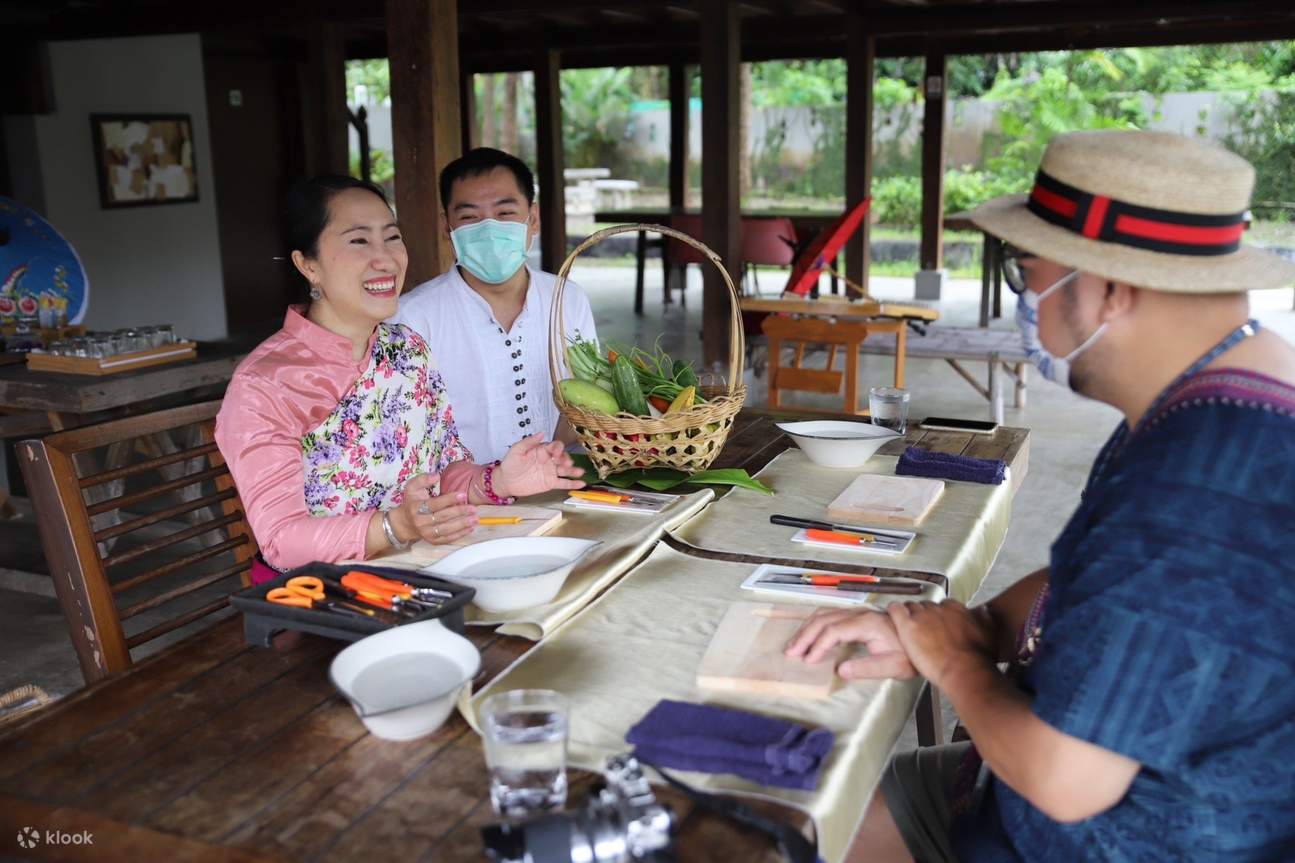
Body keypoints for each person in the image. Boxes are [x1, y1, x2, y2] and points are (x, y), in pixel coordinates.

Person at [786, 130, 1295, 862]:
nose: (1025, 302)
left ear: (1111, 289)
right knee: (818, 802)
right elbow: (1093, 585)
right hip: (1127, 792)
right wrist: (972, 627)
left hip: (1126, 836)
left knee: (770, 829)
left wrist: (956, 666)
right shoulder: (1241, 388)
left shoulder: (1191, 489)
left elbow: (1066, 781)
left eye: (1027, 275)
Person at [215, 175, 584, 572]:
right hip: (324, 593)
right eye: (359, 241)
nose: (386, 259)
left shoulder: (407, 349)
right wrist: (395, 526)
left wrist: (497, 482)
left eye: (392, 237)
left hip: (427, 569)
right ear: (308, 265)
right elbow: (282, 541)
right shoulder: (266, 384)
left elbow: (445, 472)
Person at [390, 147, 598, 463]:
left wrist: (547, 462)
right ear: (447, 228)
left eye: (504, 213)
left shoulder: (567, 299)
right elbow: (404, 433)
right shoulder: (411, 318)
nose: (488, 229)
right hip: (458, 491)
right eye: (469, 217)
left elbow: (590, 398)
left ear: (533, 219)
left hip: (560, 480)